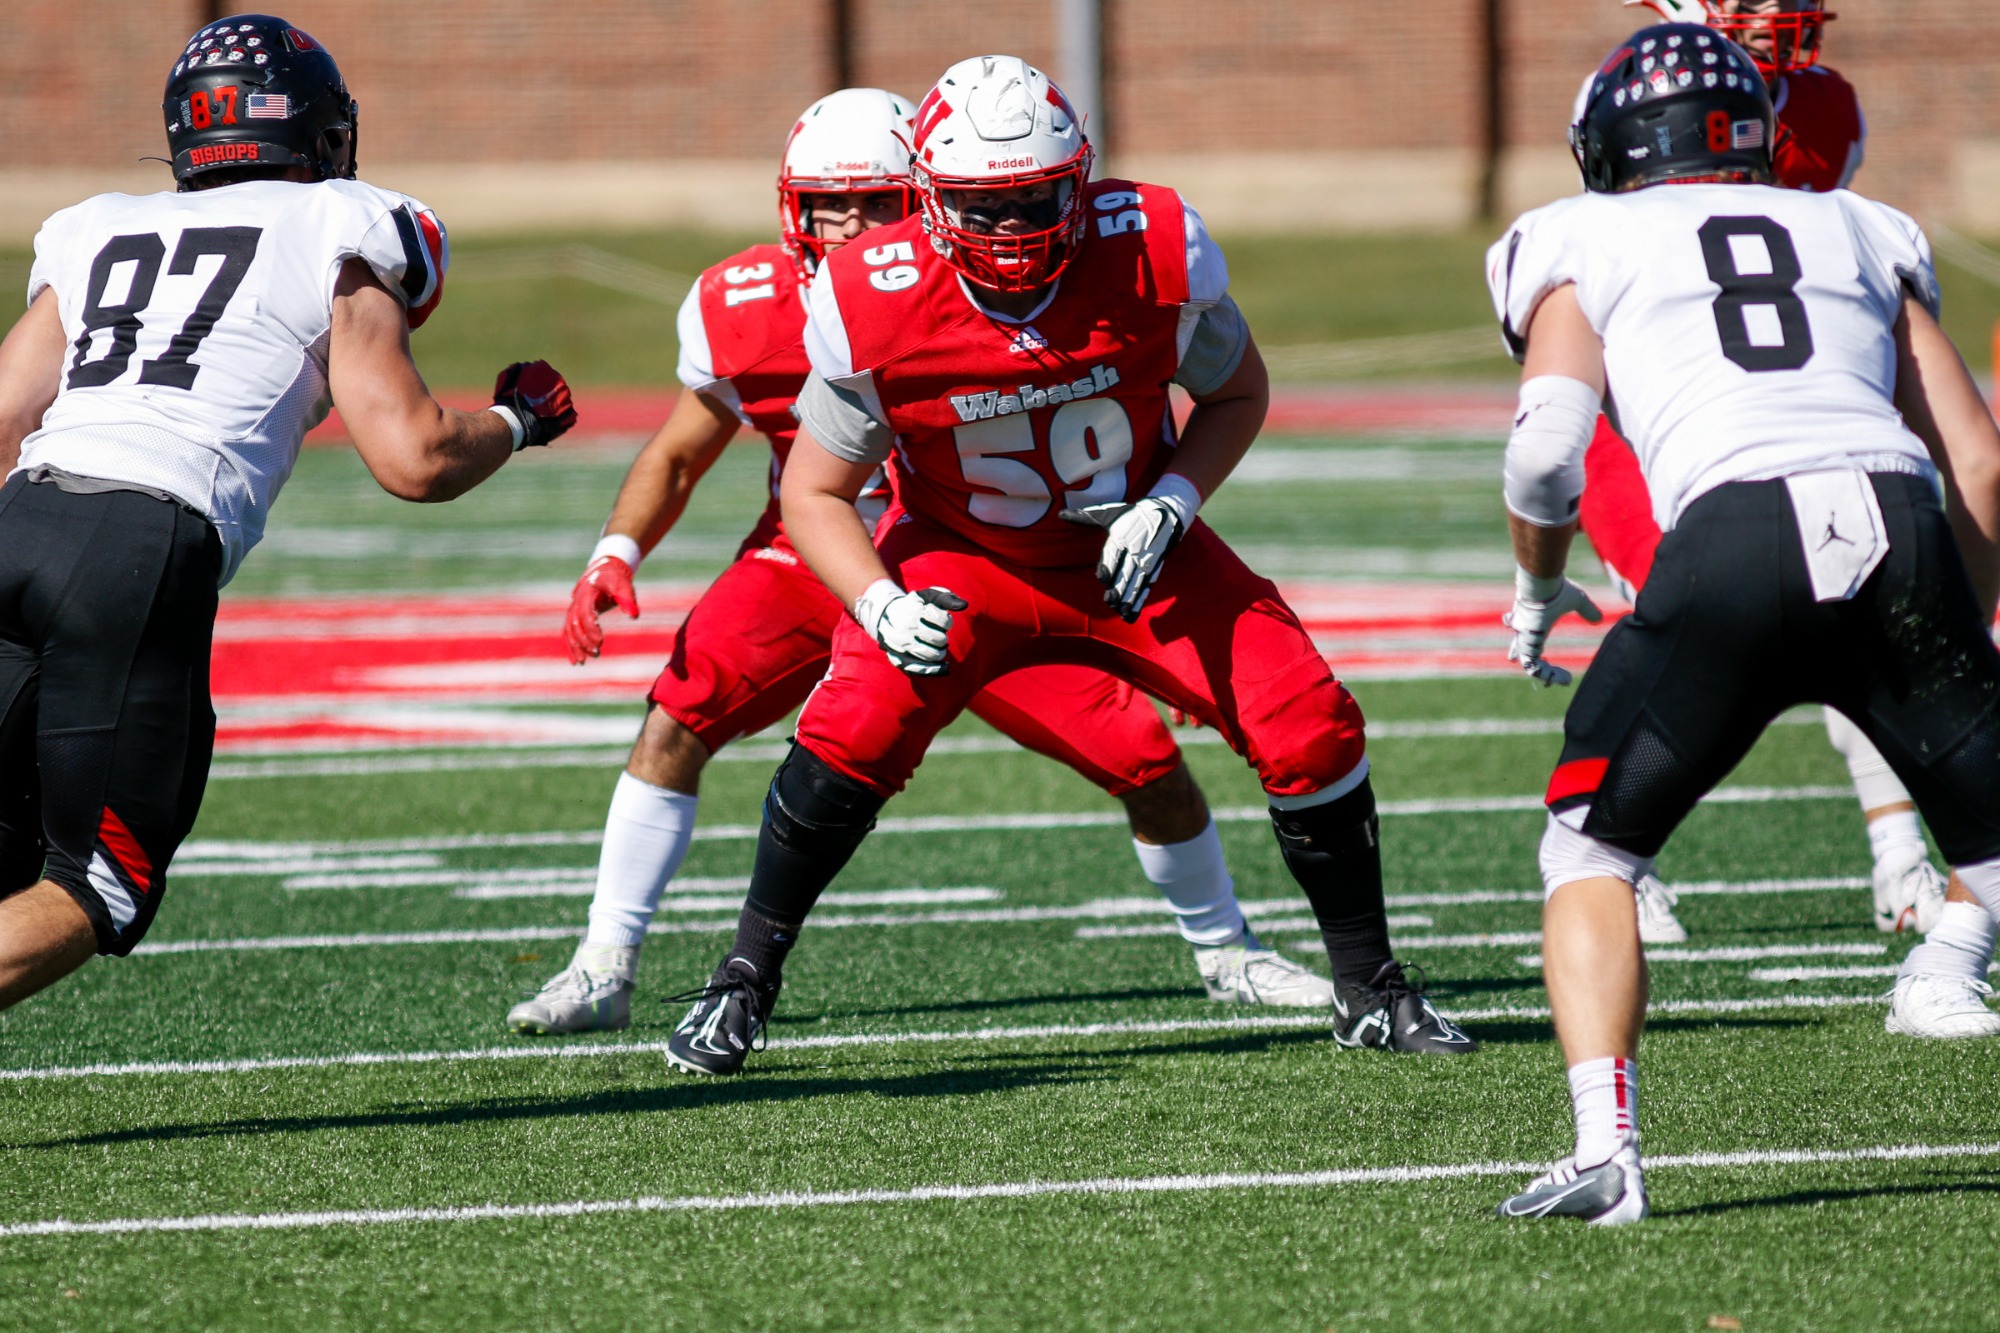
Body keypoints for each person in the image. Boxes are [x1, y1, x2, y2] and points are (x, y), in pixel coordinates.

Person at [660, 55, 1479, 1076]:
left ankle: (1370, 986)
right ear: (928, 198)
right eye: (980, 206)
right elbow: (814, 492)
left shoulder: (1150, 250)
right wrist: (873, 601)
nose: (1009, 228)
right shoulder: (872, 297)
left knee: (1306, 719)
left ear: (1077, 180)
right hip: (965, 556)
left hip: (1133, 555)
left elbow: (1234, 394)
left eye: (1032, 199)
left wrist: (1172, 498)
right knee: (848, 727)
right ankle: (741, 980)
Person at [507, 87, 1333, 1036]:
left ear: (934, 205)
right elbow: (680, 451)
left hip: (970, 560)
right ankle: (605, 961)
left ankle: (1227, 951)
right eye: (829, 202)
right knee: (675, 718)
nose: (850, 225)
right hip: (806, 557)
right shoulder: (750, 307)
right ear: (793, 206)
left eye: (877, 203)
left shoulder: (997, 294)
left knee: (1143, 756)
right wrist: (616, 550)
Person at [1488, 24, 2000, 1222]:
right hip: (1896, 525)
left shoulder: (1578, 235)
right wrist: (1956, 629)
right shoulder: (1858, 223)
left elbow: (1547, 453)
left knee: (1591, 849)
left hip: (1728, 544)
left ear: (1609, 147)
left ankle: (1605, 1150)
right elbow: (1975, 461)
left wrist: (1533, 584)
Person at [0, 13, 577, 1010]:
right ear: (319, 131)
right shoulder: (343, 219)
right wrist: (519, 418)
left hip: (20, 521)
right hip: (138, 545)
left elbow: (6, 419)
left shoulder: (93, 225)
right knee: (97, 885)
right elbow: (413, 455)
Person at [1566, 0, 1978, 979]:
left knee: (1862, 615)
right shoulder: (1631, 94)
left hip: (1798, 409)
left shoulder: (1826, 106)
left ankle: (1896, 859)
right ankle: (1615, 854)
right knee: (1666, 630)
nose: (1767, 13)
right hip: (1659, 415)